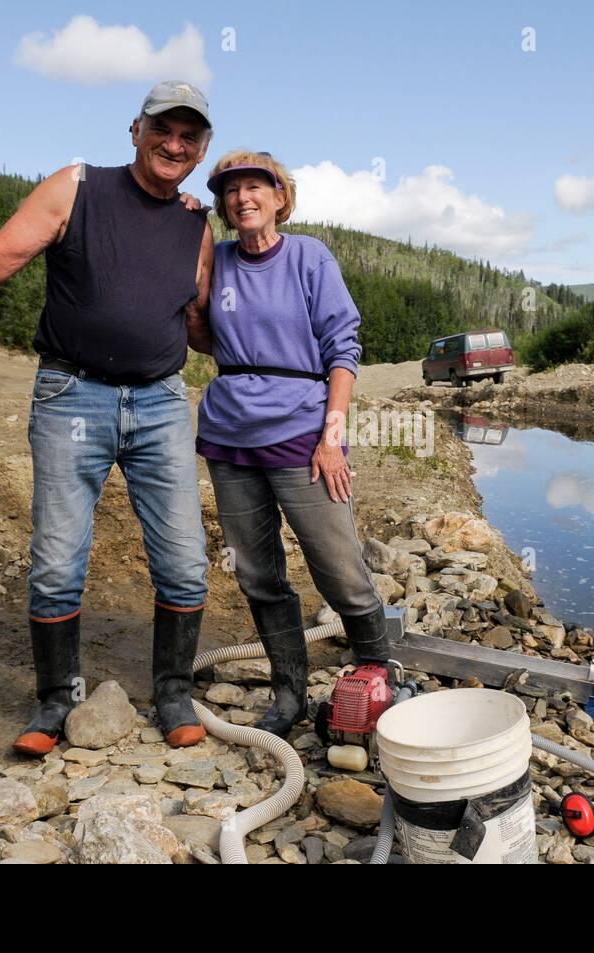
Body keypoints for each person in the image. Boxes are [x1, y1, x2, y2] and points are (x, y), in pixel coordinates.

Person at [0, 81, 217, 754]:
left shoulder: (196, 224)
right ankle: (54, 700)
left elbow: (202, 326)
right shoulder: (77, 186)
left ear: (200, 149)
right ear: (135, 129)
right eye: (164, 129)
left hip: (160, 402)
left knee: (185, 561)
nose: (174, 144)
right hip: (74, 395)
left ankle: (174, 690)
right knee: (58, 561)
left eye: (190, 136)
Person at [191, 149, 389, 737]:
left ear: (281, 197)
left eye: (256, 186)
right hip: (230, 435)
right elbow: (202, 336)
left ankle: (378, 677)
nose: (242, 197)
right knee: (257, 572)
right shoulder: (218, 260)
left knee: (337, 564)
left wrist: (332, 438)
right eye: (230, 190)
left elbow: (343, 347)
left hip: (304, 432)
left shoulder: (308, 256)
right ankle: (289, 693)